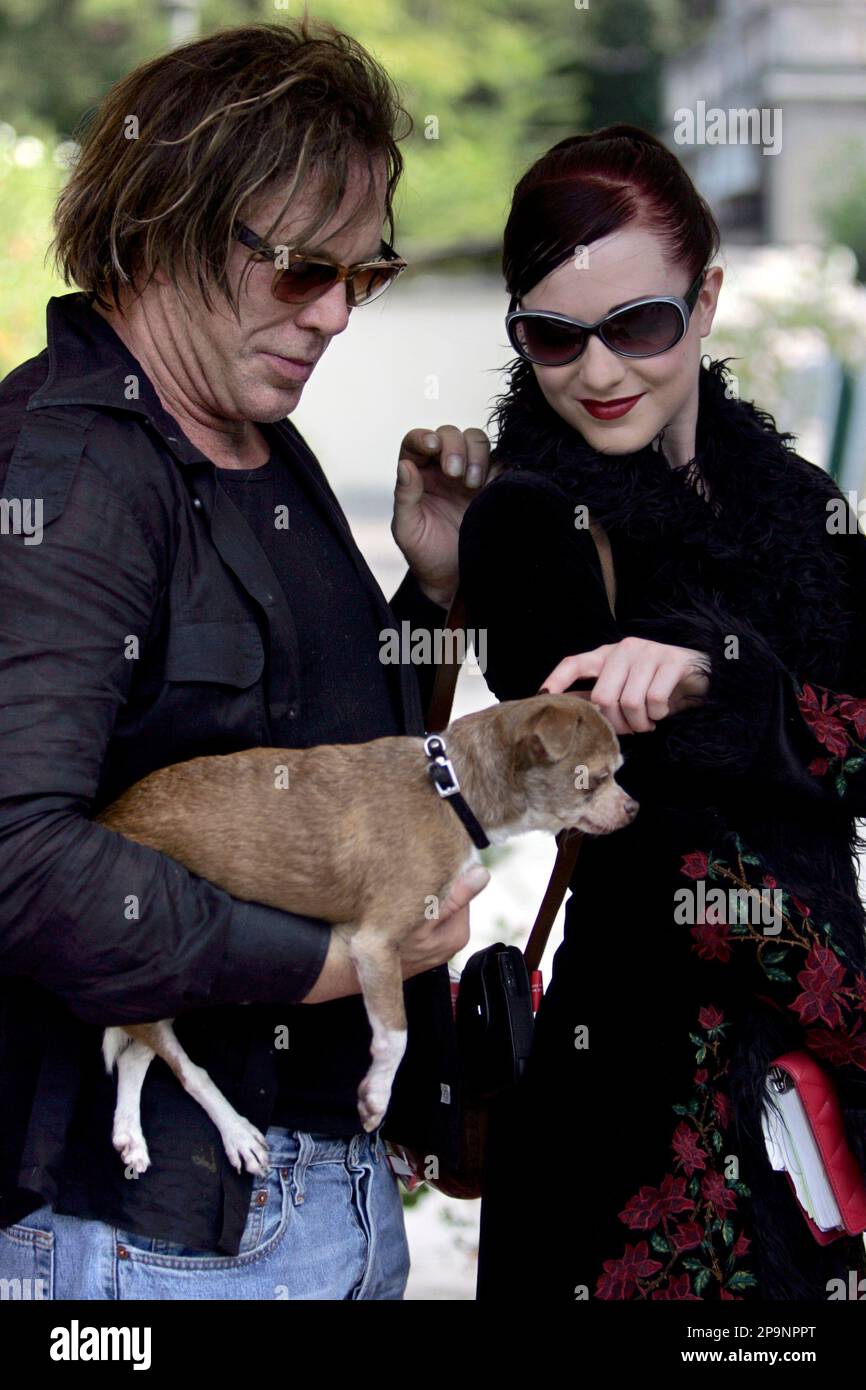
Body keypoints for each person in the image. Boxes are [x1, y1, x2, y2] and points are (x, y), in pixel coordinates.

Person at [0, 19, 493, 1300]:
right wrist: (336, 965)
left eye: (364, 277)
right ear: (164, 221)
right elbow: (19, 853)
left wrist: (430, 592)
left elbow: (343, 773)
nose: (332, 314)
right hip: (150, 1240)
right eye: (297, 270)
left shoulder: (256, 443)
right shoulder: (70, 476)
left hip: (316, 1201)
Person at [457, 124, 866, 1301]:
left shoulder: (790, 498)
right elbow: (588, 768)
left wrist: (721, 680)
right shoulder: (527, 521)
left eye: (637, 325)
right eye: (550, 334)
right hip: (635, 1092)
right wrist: (752, 709)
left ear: (708, 300)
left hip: (809, 1085)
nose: (595, 373)